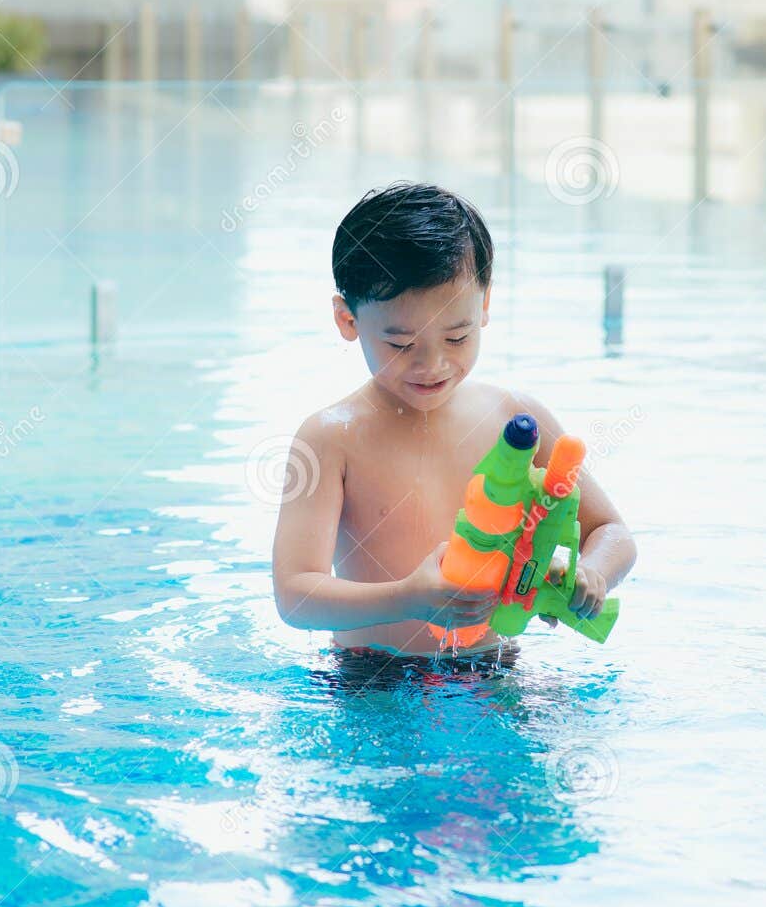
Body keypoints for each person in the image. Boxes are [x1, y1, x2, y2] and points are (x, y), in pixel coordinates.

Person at [272, 182, 636, 655]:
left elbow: (613, 533)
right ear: (348, 320)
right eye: (401, 345)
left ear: (484, 306)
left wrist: (591, 573)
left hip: (494, 670)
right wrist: (407, 599)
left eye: (457, 337)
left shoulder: (514, 417)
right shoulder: (330, 439)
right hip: (373, 684)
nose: (433, 365)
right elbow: (296, 595)